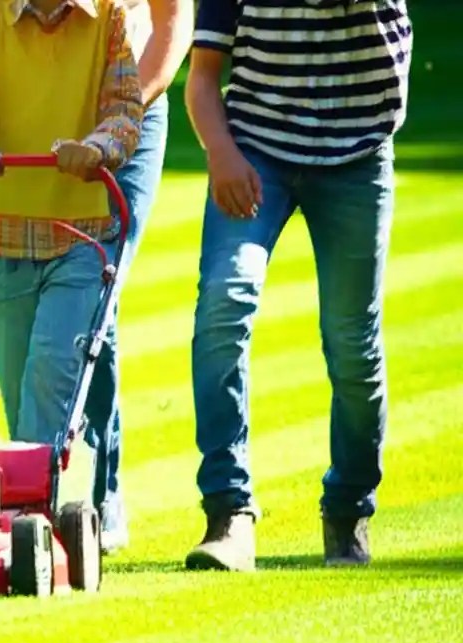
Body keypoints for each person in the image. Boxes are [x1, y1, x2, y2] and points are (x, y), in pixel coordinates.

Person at [0, 0, 192, 553]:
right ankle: (63, 504)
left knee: (58, 360)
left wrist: (102, 146)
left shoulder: (112, 19)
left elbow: (134, 93)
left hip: (88, 208)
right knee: (24, 379)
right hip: (5, 221)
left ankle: (41, 519)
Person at [183, 0, 413, 571]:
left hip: (359, 153)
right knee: (223, 303)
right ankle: (228, 513)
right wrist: (221, 151)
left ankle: (348, 510)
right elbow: (203, 77)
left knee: (352, 341)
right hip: (255, 148)